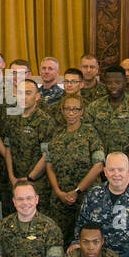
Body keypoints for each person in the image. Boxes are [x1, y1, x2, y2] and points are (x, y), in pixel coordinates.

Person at [43, 95, 105, 240]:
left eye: (75, 109)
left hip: (85, 196)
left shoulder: (90, 133)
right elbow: (49, 164)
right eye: (68, 109)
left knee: (85, 238)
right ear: (62, 110)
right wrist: (58, 192)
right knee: (59, 238)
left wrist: (77, 191)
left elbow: (98, 165)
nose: (71, 113)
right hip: (60, 198)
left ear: (82, 111)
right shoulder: (57, 133)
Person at [0, 78, 54, 213]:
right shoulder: (12, 118)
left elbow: (46, 155)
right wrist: (11, 176)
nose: (23, 97)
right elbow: (8, 149)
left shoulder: (44, 121)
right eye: (20, 93)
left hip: (36, 183)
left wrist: (29, 178)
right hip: (13, 182)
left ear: (37, 96)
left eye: (28, 93)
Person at [84, 64, 129, 183]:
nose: (113, 86)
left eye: (117, 82)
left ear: (125, 82)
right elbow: (87, 138)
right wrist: (102, 165)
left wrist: (121, 164)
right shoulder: (94, 107)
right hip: (99, 172)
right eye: (109, 82)